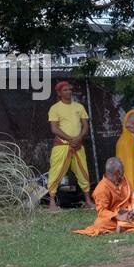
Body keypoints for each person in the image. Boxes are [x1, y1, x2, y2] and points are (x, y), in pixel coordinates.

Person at [74, 157, 134, 235]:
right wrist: (119, 216)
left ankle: (123, 226)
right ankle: (124, 225)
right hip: (115, 217)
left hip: (131, 213)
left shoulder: (123, 179)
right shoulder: (101, 189)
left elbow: (133, 196)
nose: (124, 172)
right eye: (122, 170)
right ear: (117, 172)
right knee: (100, 223)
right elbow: (101, 211)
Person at [45, 81, 95, 210]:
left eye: (70, 89)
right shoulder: (55, 108)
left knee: (83, 173)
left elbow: (85, 126)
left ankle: (88, 201)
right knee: (56, 173)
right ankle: (52, 203)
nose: (69, 92)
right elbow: (54, 129)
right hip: (61, 146)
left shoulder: (79, 107)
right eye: (65, 90)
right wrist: (71, 139)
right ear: (59, 93)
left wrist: (78, 139)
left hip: (78, 145)